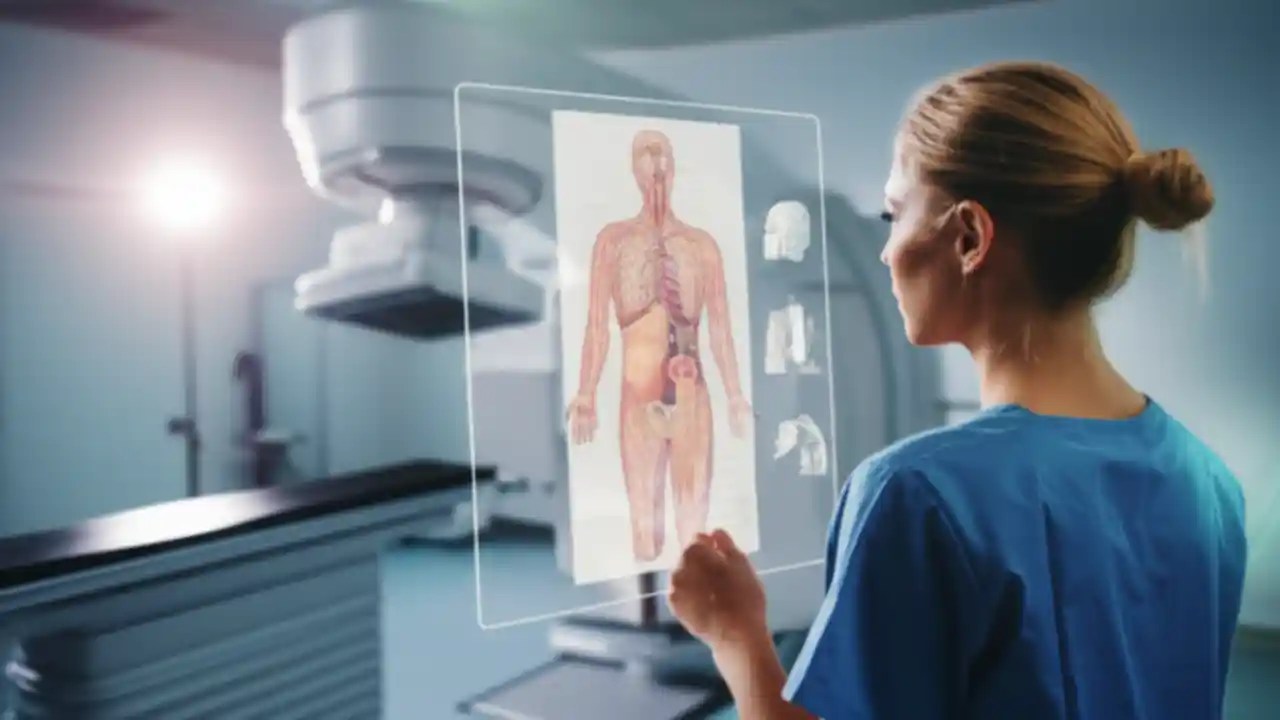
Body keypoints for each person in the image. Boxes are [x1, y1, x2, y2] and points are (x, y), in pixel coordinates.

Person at [667, 60, 1248, 719]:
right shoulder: (1210, 484)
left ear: (969, 236)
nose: (886, 253)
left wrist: (735, 634)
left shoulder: (917, 496)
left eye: (893, 215)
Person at [566, 128, 752, 562]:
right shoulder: (613, 242)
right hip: (638, 402)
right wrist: (586, 393)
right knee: (644, 534)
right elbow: (597, 325)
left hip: (693, 400)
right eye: (644, 153)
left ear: (675, 163)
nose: (655, 161)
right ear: (632, 167)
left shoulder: (702, 246)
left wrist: (736, 396)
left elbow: (720, 328)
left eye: (662, 151)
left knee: (695, 540)